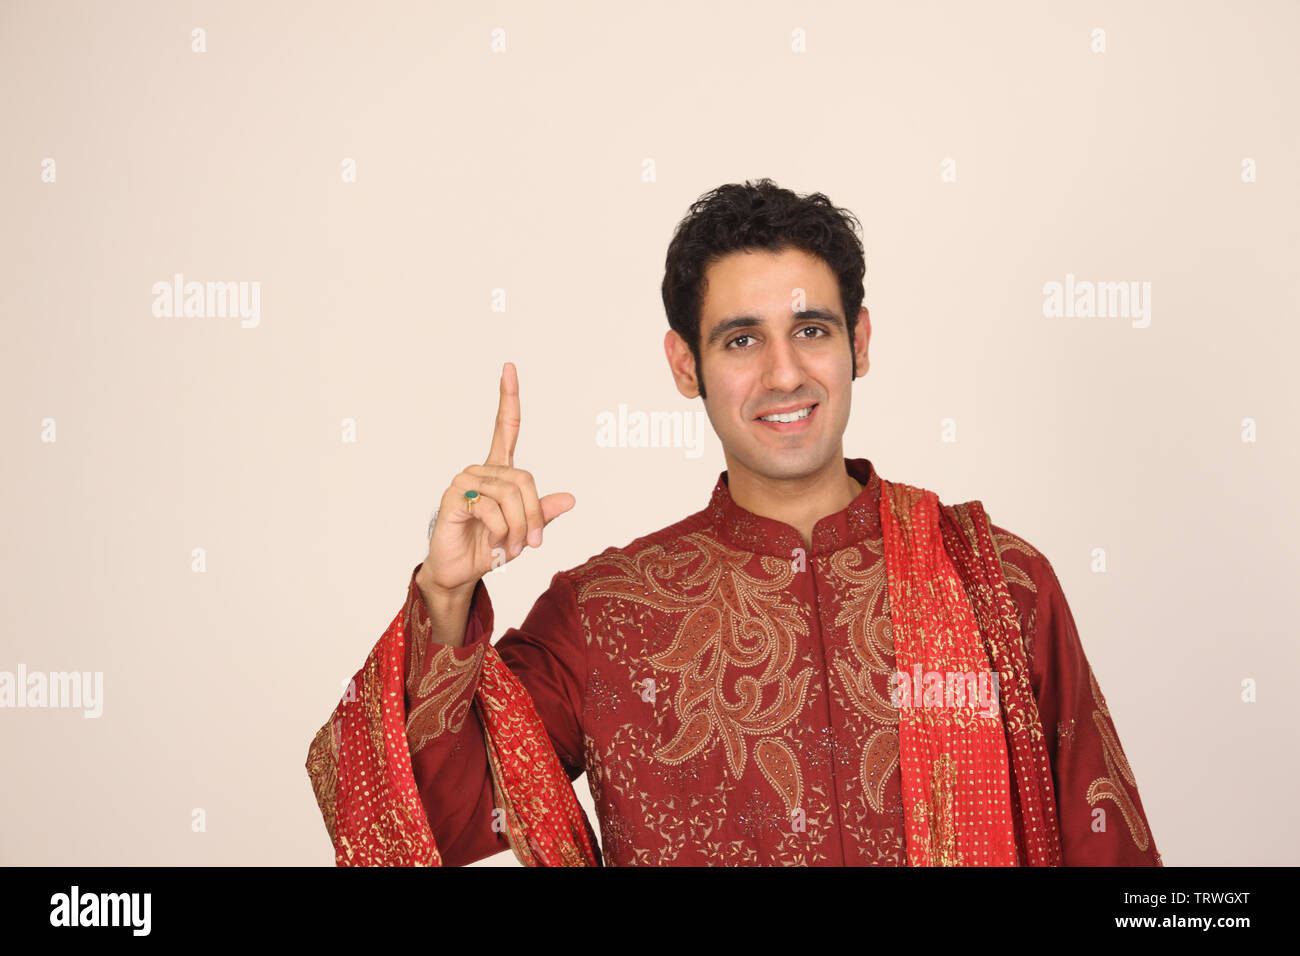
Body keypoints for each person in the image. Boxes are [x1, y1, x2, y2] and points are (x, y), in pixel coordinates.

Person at [305, 179, 1161, 867]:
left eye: (812, 330)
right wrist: (446, 595)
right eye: (742, 341)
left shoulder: (1000, 586)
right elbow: (420, 825)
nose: (785, 373)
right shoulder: (607, 615)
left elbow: (1111, 857)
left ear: (860, 342)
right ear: (686, 364)